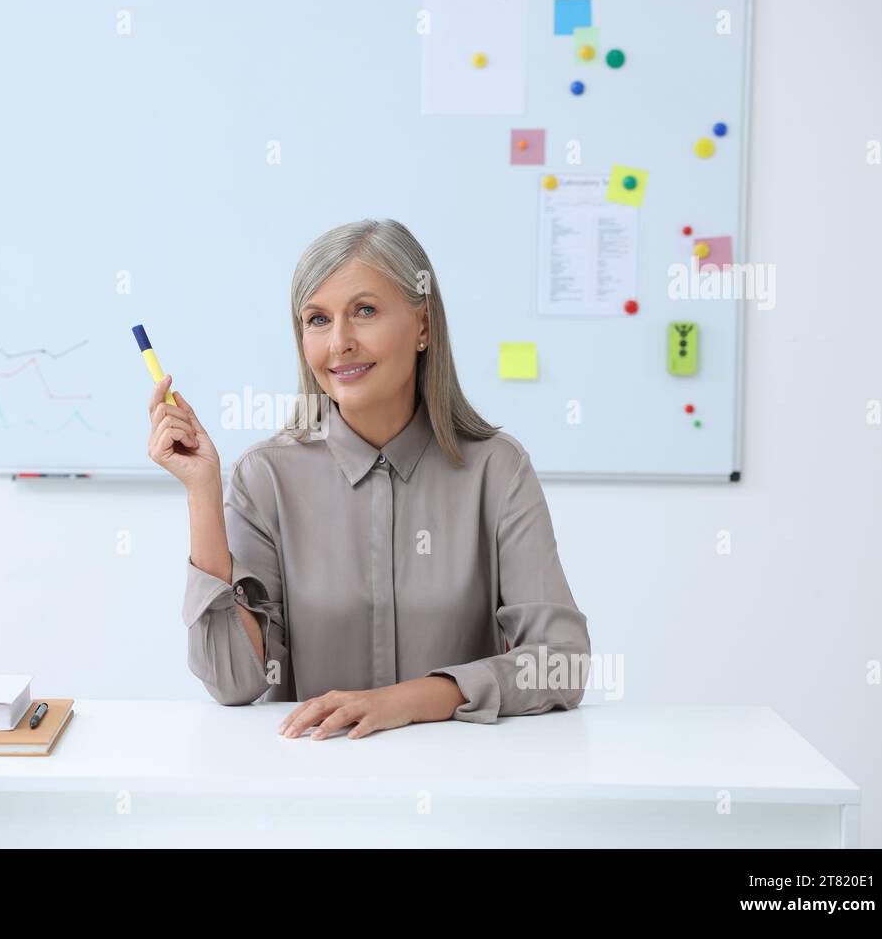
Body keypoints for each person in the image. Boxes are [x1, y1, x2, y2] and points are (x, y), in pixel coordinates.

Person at [147, 219, 590, 739]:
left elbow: (562, 664)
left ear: (423, 326)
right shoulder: (265, 478)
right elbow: (234, 681)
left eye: (365, 311)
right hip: (314, 787)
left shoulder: (497, 469)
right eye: (317, 319)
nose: (340, 343)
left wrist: (414, 699)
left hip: (464, 788)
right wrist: (203, 491)